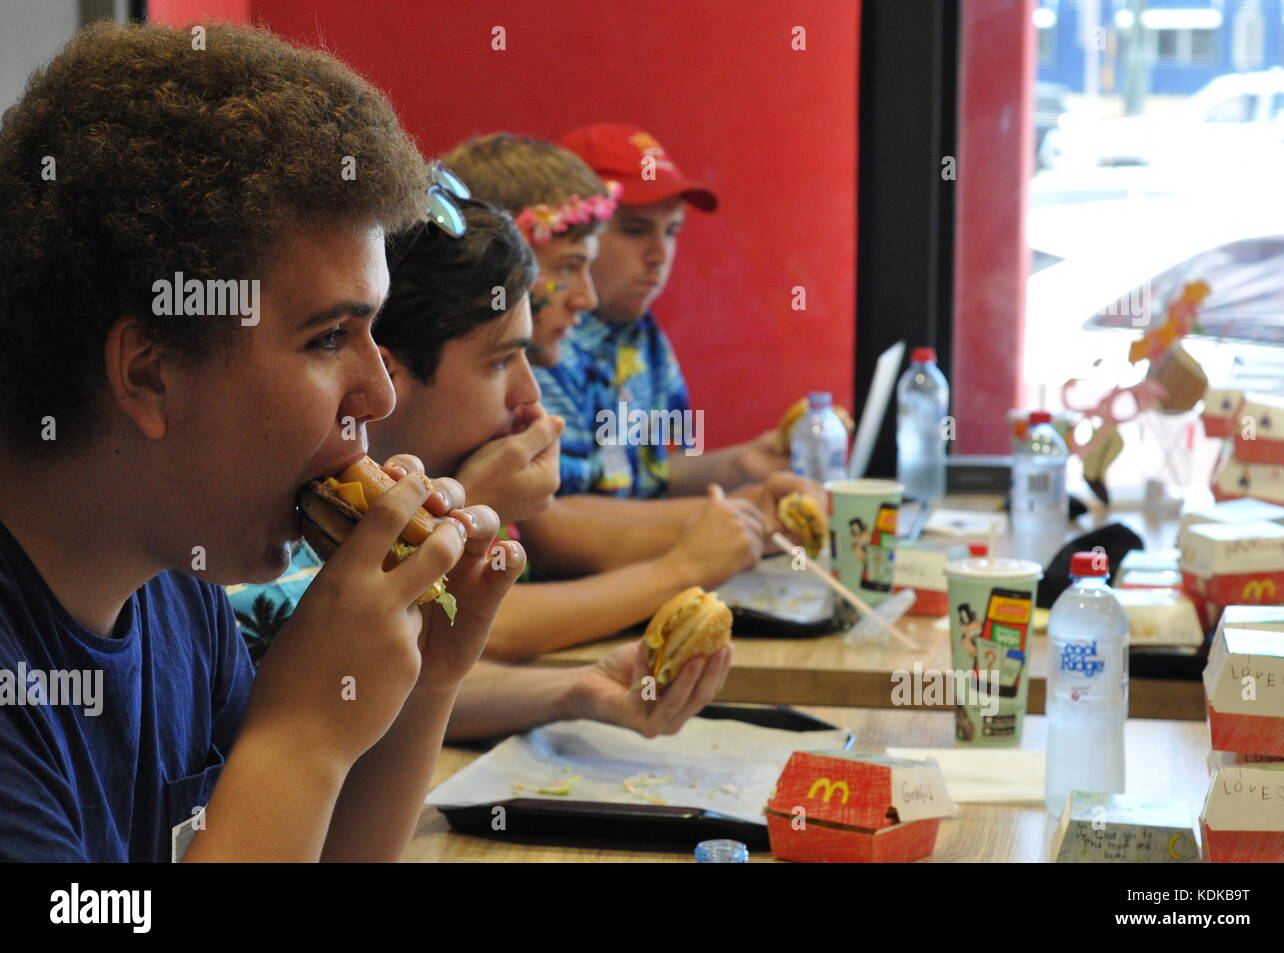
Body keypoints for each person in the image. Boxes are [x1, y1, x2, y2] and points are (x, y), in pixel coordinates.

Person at [0, 22, 511, 862]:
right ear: (151, 373)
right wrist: (301, 736)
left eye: (372, 329)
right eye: (326, 338)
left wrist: (427, 680)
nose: (381, 392)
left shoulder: (175, 586)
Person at [232, 197, 736, 715]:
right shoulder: (261, 552)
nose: (531, 397)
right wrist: (684, 568)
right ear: (388, 376)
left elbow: (423, 683)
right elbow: (337, 703)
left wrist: (581, 691)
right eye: (500, 362)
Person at [445, 133, 823, 570]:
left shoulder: (640, 334)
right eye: (633, 230)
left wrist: (740, 463)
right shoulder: (532, 345)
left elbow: (638, 469)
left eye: (672, 232)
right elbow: (549, 527)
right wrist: (743, 519)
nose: (659, 255)